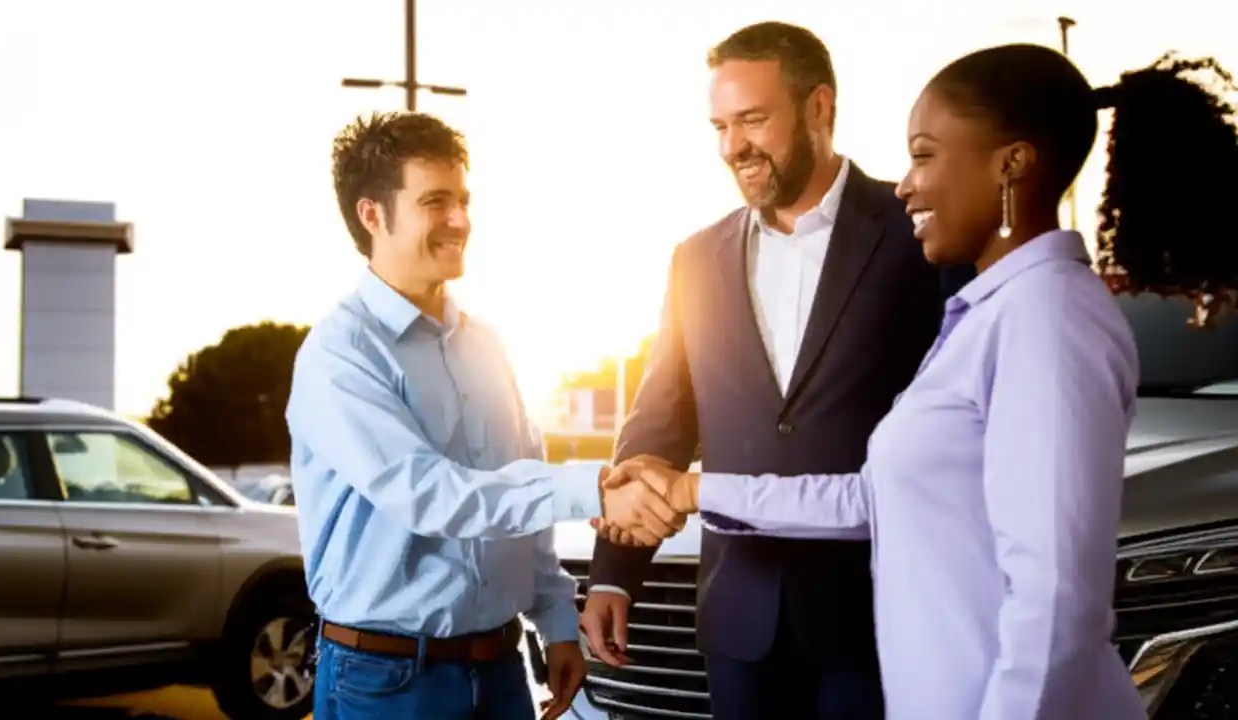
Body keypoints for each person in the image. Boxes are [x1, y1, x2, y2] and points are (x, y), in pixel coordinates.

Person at [597, 44, 1238, 719]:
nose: (906, 185)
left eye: (925, 156)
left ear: (1011, 163)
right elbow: (870, 499)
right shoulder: (990, 315)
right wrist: (688, 490)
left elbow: (1055, 604)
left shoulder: (1048, 317)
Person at [580, 20, 972, 720]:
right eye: (721, 125)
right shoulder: (695, 259)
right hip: (741, 620)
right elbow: (660, 422)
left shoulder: (920, 232)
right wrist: (614, 574)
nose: (733, 145)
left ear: (819, 107)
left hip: (881, 613)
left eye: (753, 119)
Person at [284, 111, 682, 720]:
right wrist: (598, 489)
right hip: (387, 684)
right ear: (373, 215)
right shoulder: (340, 355)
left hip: (501, 671)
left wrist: (556, 622)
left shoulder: (487, 345)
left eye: (463, 200)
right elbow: (430, 495)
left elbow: (522, 498)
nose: (460, 220)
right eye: (435, 202)